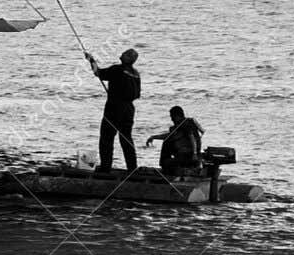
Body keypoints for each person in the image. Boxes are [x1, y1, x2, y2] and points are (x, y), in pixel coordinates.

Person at [85, 46, 140, 175]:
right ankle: (132, 168)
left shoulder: (117, 69)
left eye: (125, 53)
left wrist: (91, 60)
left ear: (128, 59)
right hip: (129, 109)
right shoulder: (136, 74)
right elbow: (137, 94)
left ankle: (106, 167)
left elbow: (98, 72)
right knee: (126, 138)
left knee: (106, 137)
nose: (122, 54)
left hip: (114, 108)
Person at [146, 105, 204, 177]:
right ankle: (166, 165)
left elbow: (192, 139)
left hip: (189, 157)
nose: (172, 120)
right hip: (186, 155)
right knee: (168, 141)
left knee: (167, 152)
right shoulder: (182, 125)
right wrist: (154, 137)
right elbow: (170, 135)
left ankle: (166, 167)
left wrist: (194, 154)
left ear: (177, 116)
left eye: (172, 117)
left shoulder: (186, 125)